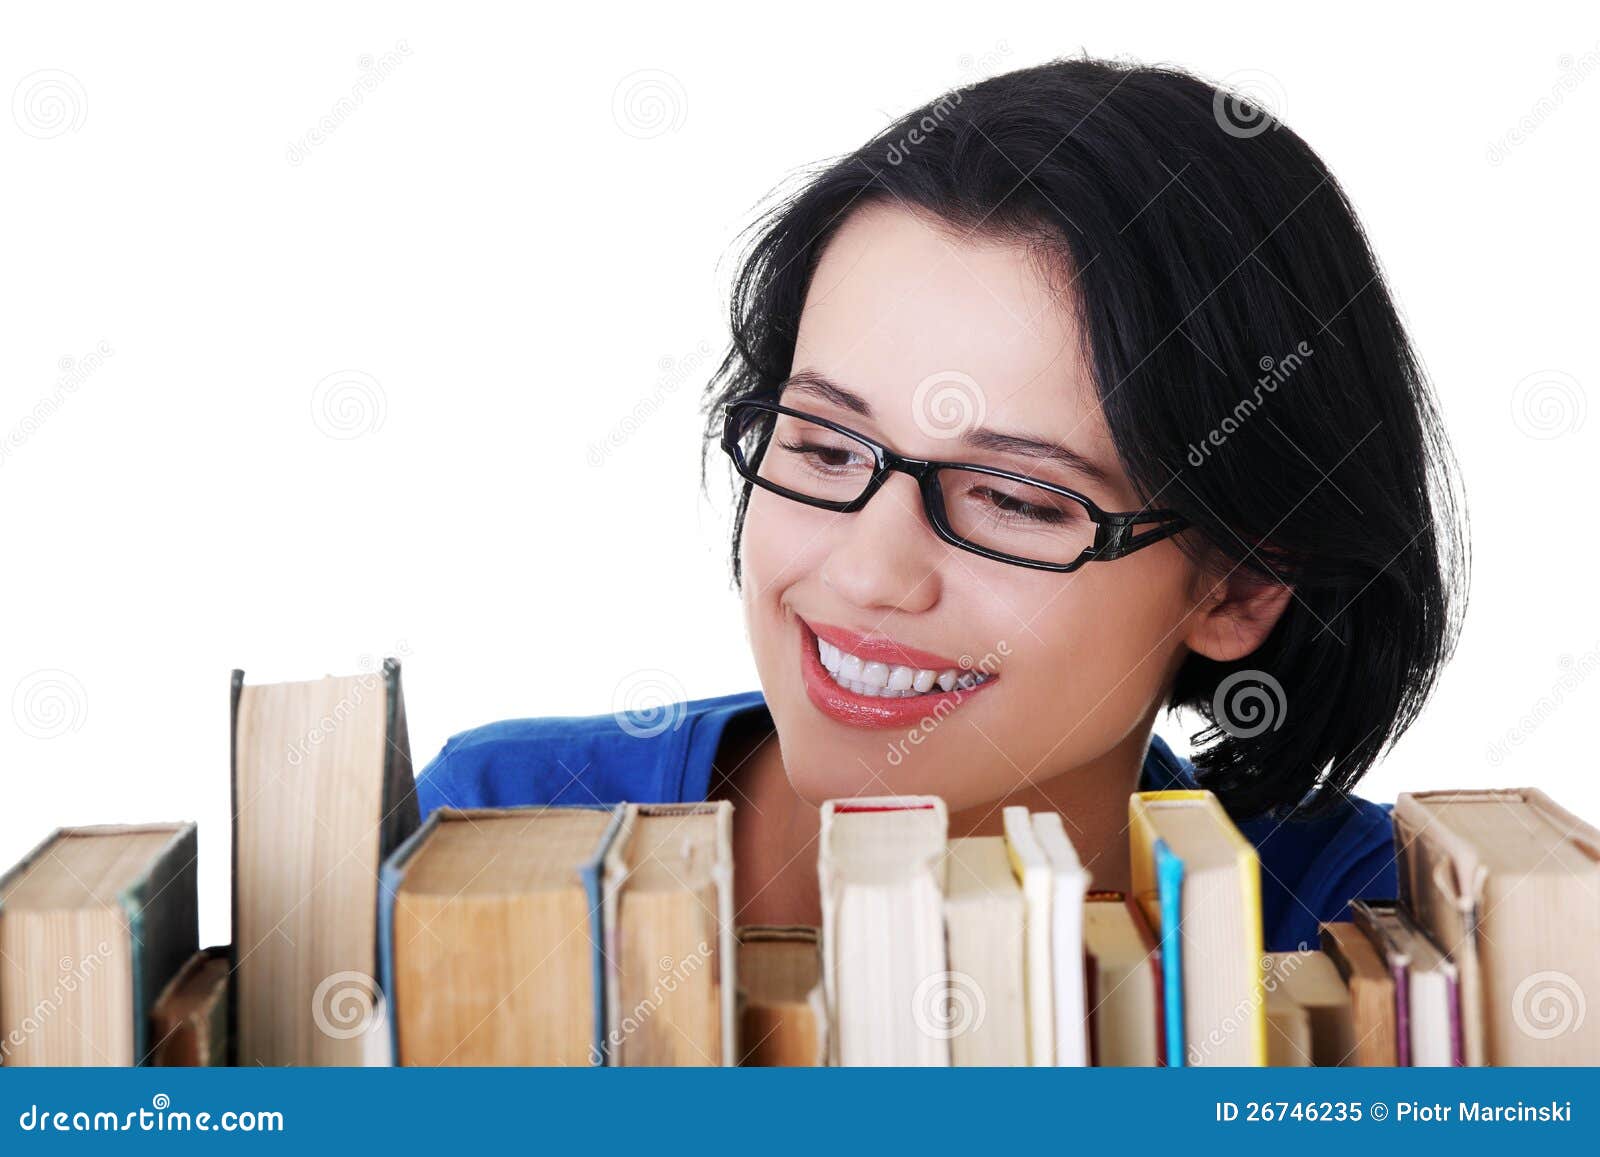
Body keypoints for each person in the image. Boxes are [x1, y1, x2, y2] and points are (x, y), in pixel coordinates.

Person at [416, 56, 1466, 953]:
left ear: (1240, 585)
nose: (867, 573)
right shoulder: (494, 821)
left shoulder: (1377, 926)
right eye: (825, 446)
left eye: (1013, 498)